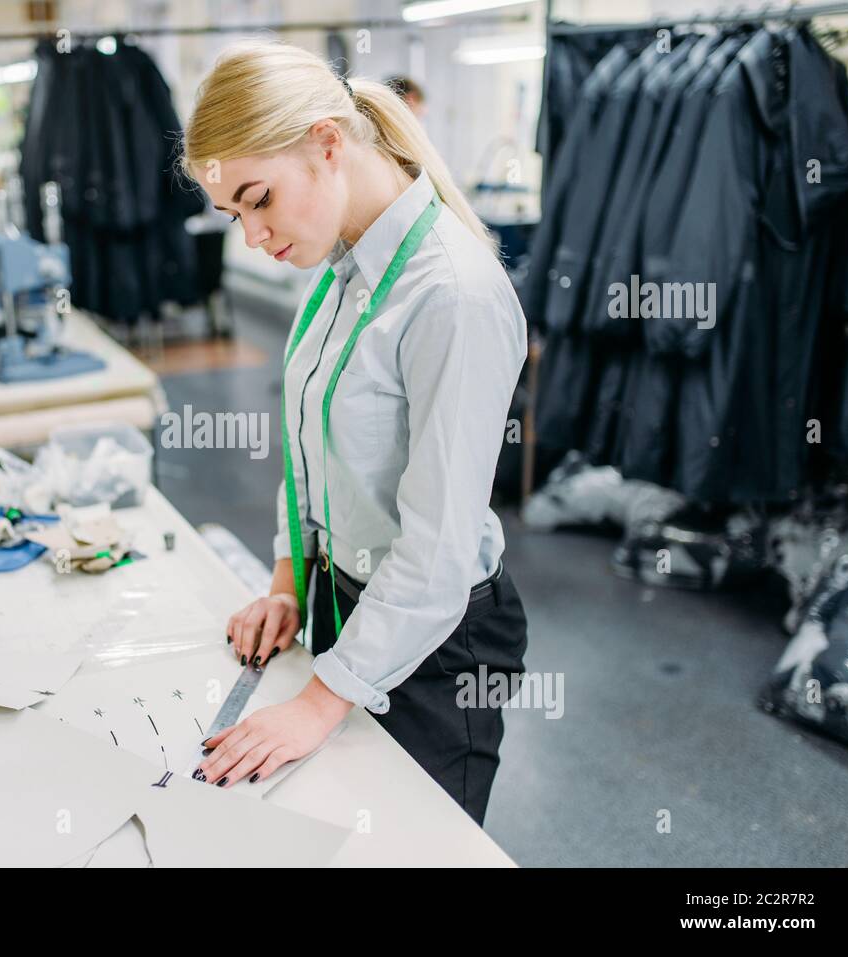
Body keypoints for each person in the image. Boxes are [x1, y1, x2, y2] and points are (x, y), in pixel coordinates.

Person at [182, 41, 529, 826]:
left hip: (440, 649)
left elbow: (438, 553)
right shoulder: (346, 270)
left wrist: (317, 702)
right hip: (339, 605)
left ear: (328, 144)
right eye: (234, 214)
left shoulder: (451, 295)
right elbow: (312, 448)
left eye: (259, 198)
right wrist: (286, 583)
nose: (253, 236)